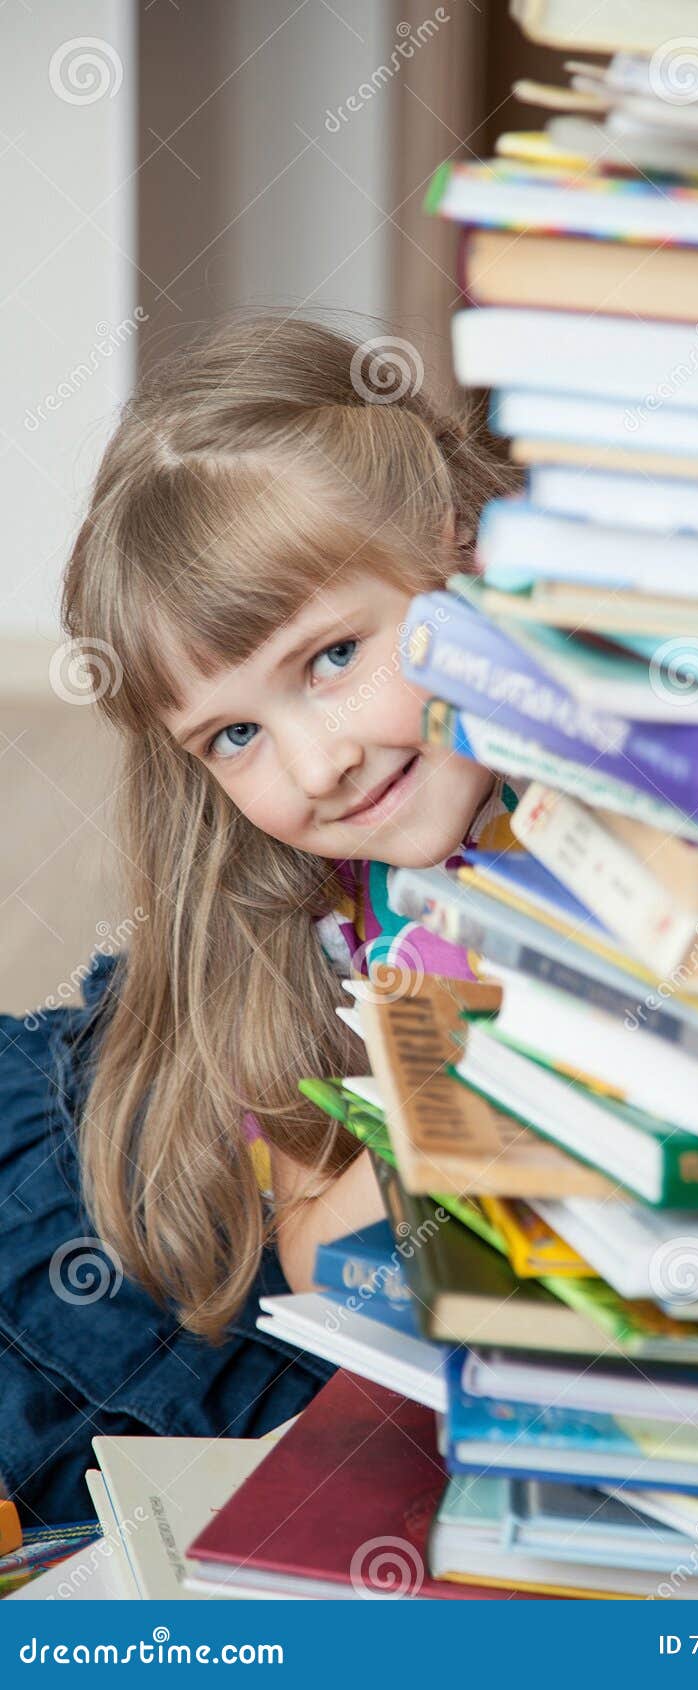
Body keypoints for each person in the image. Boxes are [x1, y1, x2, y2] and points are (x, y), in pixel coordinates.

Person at [0, 313, 520, 1524]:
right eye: (234, 735)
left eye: (331, 657)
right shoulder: (286, 923)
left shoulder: (623, 821)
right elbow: (327, 1268)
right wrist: (447, 1055)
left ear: (467, 550)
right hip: (96, 1235)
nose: (316, 763)